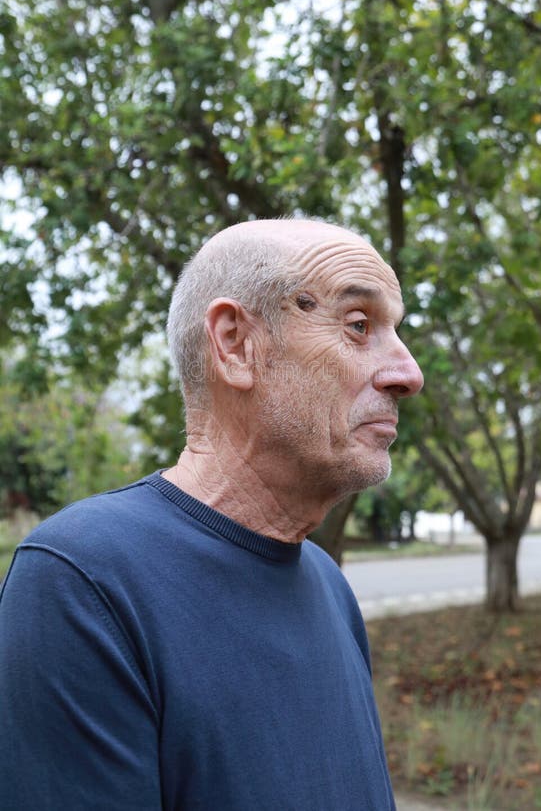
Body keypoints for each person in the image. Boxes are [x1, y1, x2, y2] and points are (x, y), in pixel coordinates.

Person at [0, 218, 423, 810]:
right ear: (236, 344)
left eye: (396, 332)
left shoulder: (328, 584)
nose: (408, 374)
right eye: (358, 325)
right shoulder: (82, 580)